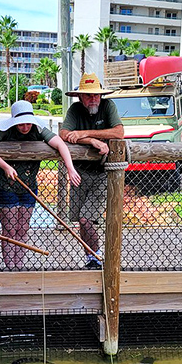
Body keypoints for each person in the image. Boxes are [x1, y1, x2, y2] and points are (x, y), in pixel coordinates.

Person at [0, 100, 81, 269]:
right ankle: (9, 267)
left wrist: (70, 168)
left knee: (23, 228)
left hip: (28, 186)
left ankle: (18, 267)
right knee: (10, 229)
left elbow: (60, 144)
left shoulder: (38, 129)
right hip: (5, 185)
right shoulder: (5, 130)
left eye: (28, 123)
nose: (25, 127)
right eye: (21, 124)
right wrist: (5, 166)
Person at [60, 73, 124, 270]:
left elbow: (119, 132)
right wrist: (91, 141)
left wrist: (84, 133)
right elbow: (63, 134)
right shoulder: (75, 109)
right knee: (81, 219)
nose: (93, 99)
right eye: (89, 96)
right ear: (80, 97)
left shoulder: (108, 107)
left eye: (96, 95)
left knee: (87, 218)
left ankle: (96, 256)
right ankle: (91, 257)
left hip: (104, 172)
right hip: (79, 172)